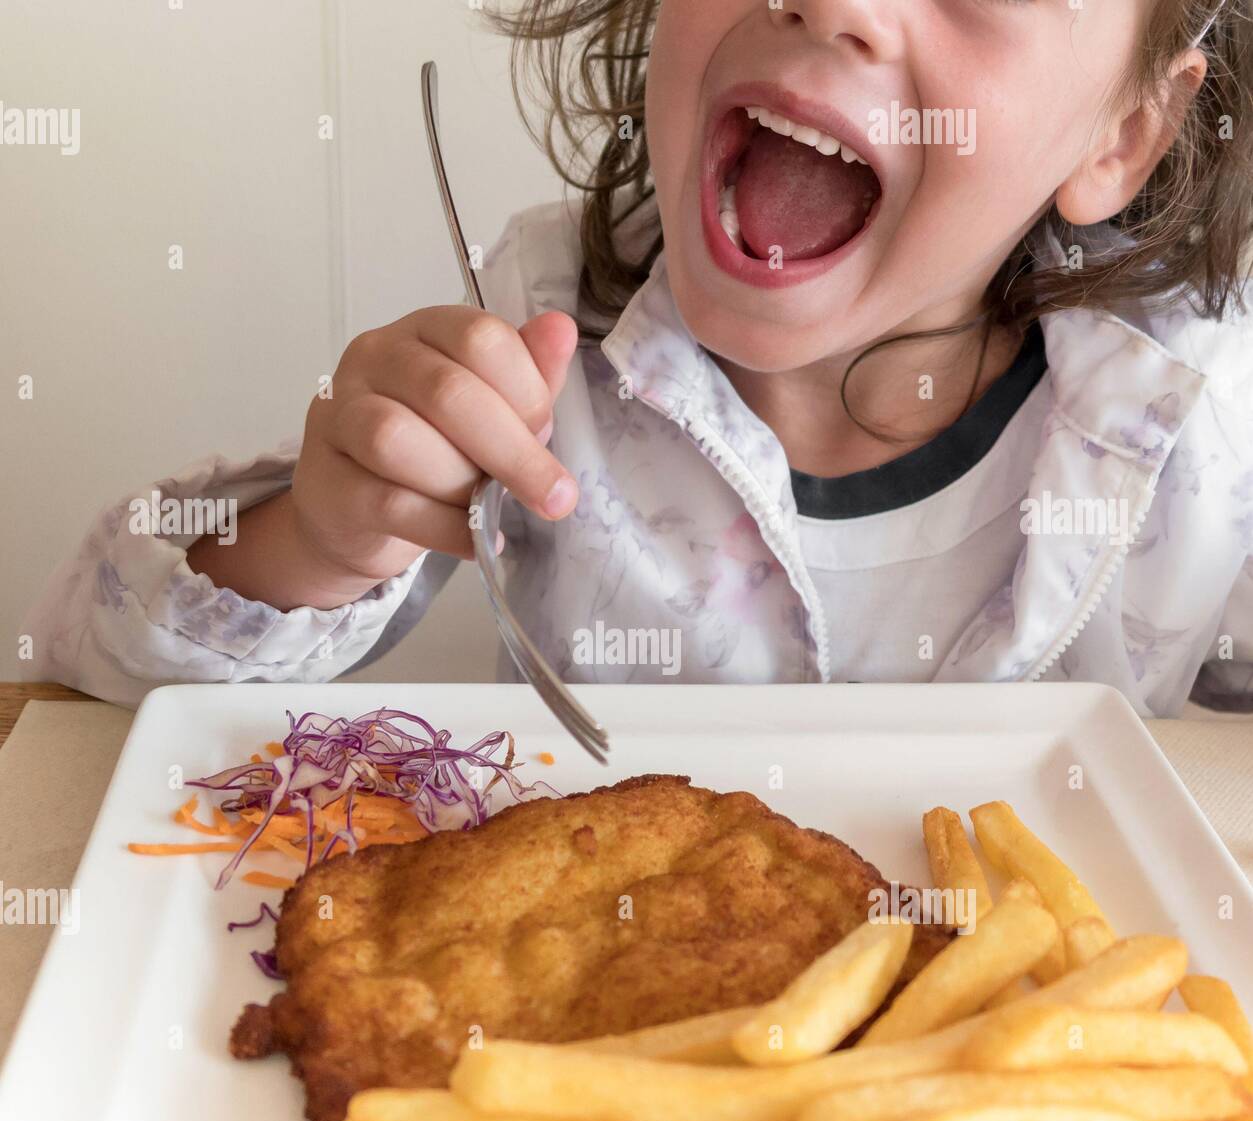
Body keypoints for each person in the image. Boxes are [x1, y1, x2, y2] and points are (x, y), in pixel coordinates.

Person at [25, 0, 1253, 715]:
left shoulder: (1204, 428)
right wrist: (322, 538)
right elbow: (96, 670)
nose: (830, 5)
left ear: (1124, 134)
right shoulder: (537, 327)